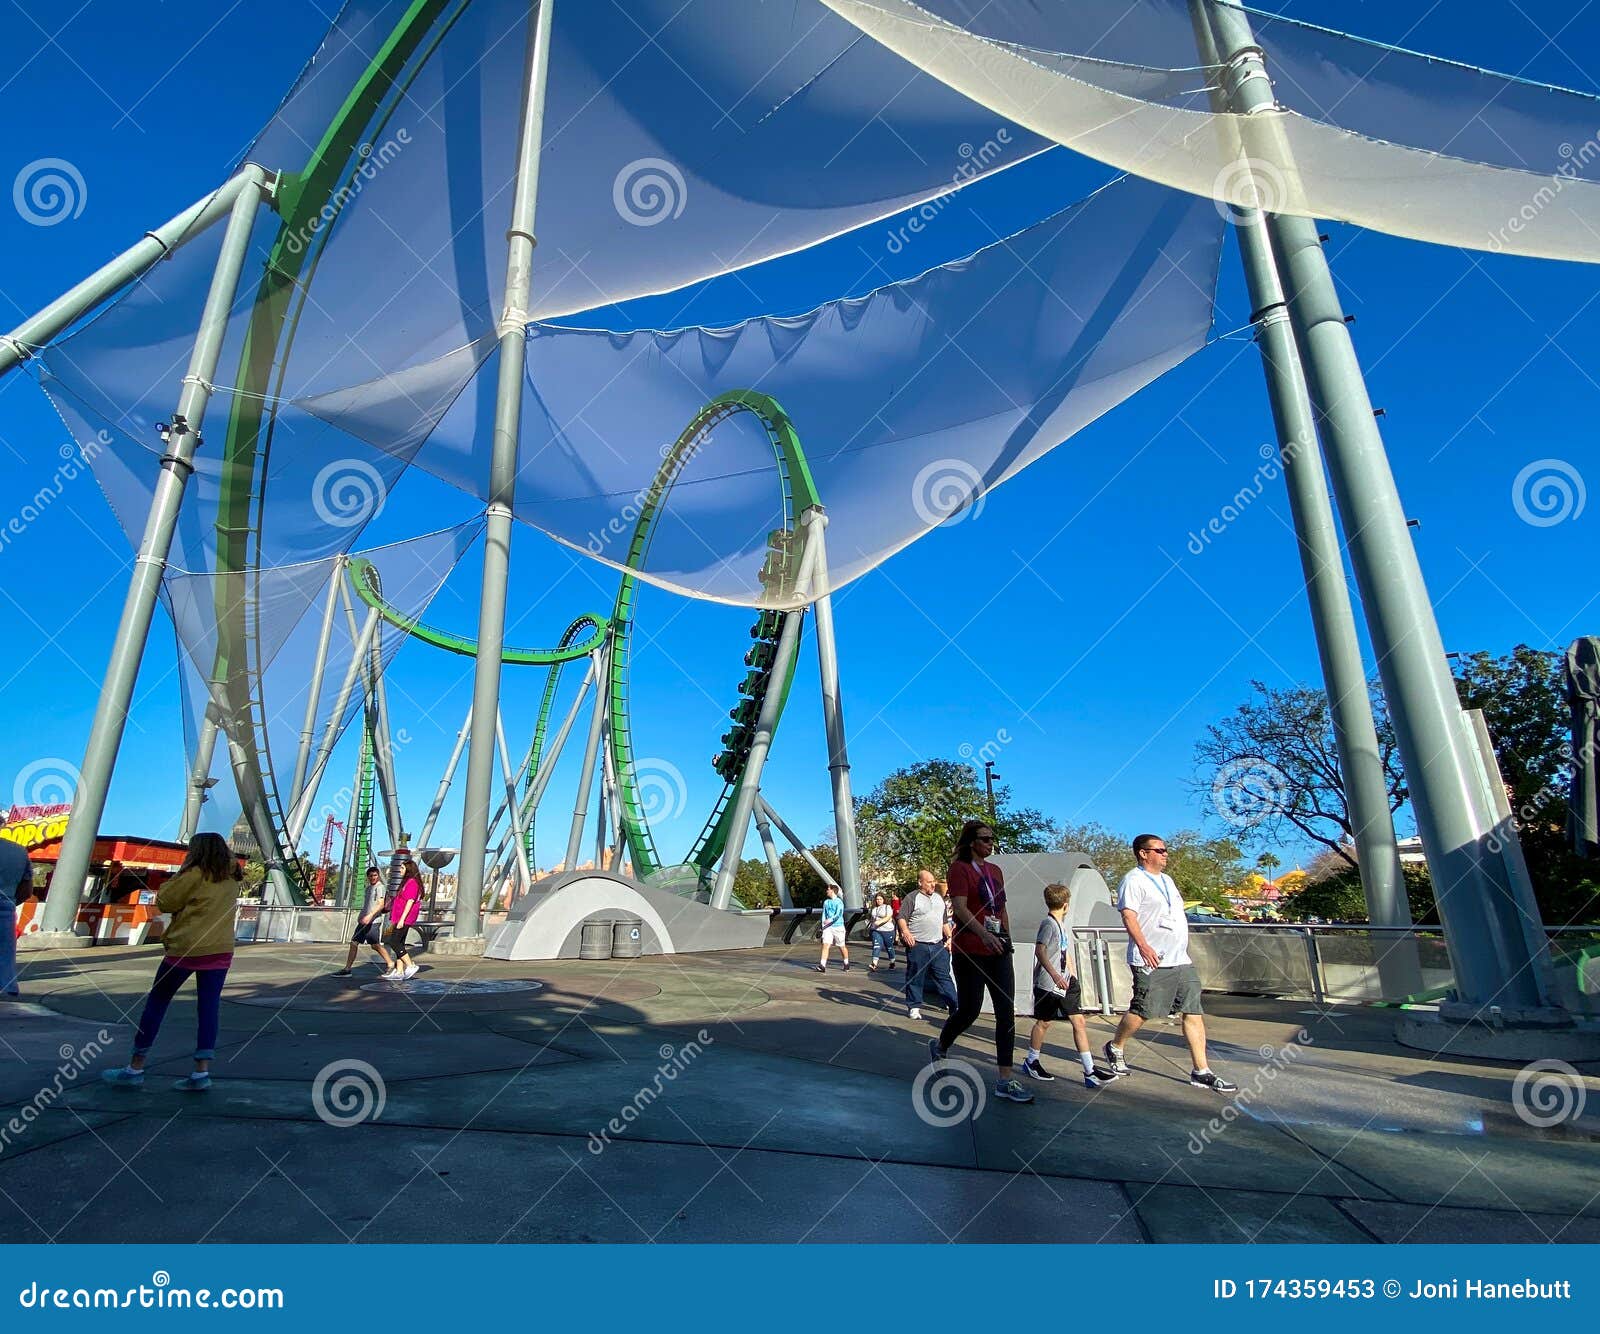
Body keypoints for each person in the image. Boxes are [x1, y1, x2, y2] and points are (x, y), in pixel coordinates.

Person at [101, 834, 242, 1091]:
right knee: (208, 1008)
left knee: (157, 1003)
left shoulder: (194, 875)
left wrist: (181, 872)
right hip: (220, 949)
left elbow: (165, 902)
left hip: (186, 948)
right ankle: (201, 1071)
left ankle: (136, 1065)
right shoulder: (232, 877)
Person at [1103, 834, 1237, 1093]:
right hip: (1152, 959)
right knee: (1143, 1011)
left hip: (1180, 959)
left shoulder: (1167, 881)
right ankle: (1116, 1045)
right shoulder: (1133, 880)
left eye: (1166, 850)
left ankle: (1201, 1070)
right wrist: (1144, 945)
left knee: (1193, 1011)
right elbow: (1129, 916)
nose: (1165, 854)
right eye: (1160, 850)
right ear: (1143, 853)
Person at [929, 820, 1032, 1104]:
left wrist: (1005, 938)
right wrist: (984, 934)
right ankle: (941, 1044)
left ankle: (1005, 1079)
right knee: (970, 1009)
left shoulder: (995, 871)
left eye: (991, 839)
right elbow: (960, 908)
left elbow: (1001, 908)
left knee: (1005, 1012)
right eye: (985, 839)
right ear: (971, 842)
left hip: (997, 950)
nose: (990, 844)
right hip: (970, 950)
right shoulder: (960, 869)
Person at [1023, 882, 1117, 1088]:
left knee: (1079, 1022)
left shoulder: (1060, 924)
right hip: (1049, 984)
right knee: (1043, 1022)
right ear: (1066, 905)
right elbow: (1041, 951)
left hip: (1066, 982)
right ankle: (1032, 1060)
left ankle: (1090, 1069)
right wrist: (1056, 974)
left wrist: (1071, 974)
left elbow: (1064, 951)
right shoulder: (1048, 924)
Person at [896, 870, 958, 1020]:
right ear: (920, 883)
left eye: (933, 881)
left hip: (937, 945)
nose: (933, 884)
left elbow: (944, 922)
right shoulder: (912, 898)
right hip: (918, 945)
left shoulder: (938, 899)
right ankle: (914, 1006)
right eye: (929, 881)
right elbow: (902, 917)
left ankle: (955, 1006)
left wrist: (950, 937)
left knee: (944, 977)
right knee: (916, 976)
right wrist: (906, 932)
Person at [334, 866, 394, 977]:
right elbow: (367, 905)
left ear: (378, 876)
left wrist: (369, 916)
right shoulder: (368, 889)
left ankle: (390, 964)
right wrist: (362, 916)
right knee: (353, 943)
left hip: (373, 921)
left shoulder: (380, 887)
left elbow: (380, 905)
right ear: (368, 877)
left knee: (375, 945)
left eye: (375, 875)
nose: (373, 878)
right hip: (364, 921)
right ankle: (347, 969)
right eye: (371, 876)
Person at [384, 859, 424, 981]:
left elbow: (410, 901)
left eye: (402, 868)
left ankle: (410, 965)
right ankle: (399, 971)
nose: (400, 870)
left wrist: (402, 919)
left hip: (404, 918)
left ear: (408, 869)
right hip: (399, 916)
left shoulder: (412, 883)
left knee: (394, 941)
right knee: (399, 943)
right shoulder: (406, 882)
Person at [0, 836, 30, 1000]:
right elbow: (27, 891)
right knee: (4, 953)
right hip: (6, 910)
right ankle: (7, 986)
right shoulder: (19, 851)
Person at [814, 883, 849, 972]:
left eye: (828, 889)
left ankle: (846, 962)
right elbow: (824, 915)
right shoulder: (826, 902)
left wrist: (830, 919)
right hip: (828, 928)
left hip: (838, 927)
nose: (827, 891)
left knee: (841, 946)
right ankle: (822, 965)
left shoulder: (839, 902)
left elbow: (839, 914)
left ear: (832, 891)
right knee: (825, 945)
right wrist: (823, 925)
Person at [867, 892, 897, 971]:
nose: (878, 901)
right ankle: (874, 964)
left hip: (887, 930)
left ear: (883, 900)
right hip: (877, 930)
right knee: (876, 946)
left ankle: (892, 962)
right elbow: (872, 919)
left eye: (880, 899)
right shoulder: (874, 909)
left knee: (889, 947)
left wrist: (880, 922)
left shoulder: (887, 907)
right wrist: (871, 925)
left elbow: (888, 917)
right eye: (877, 899)